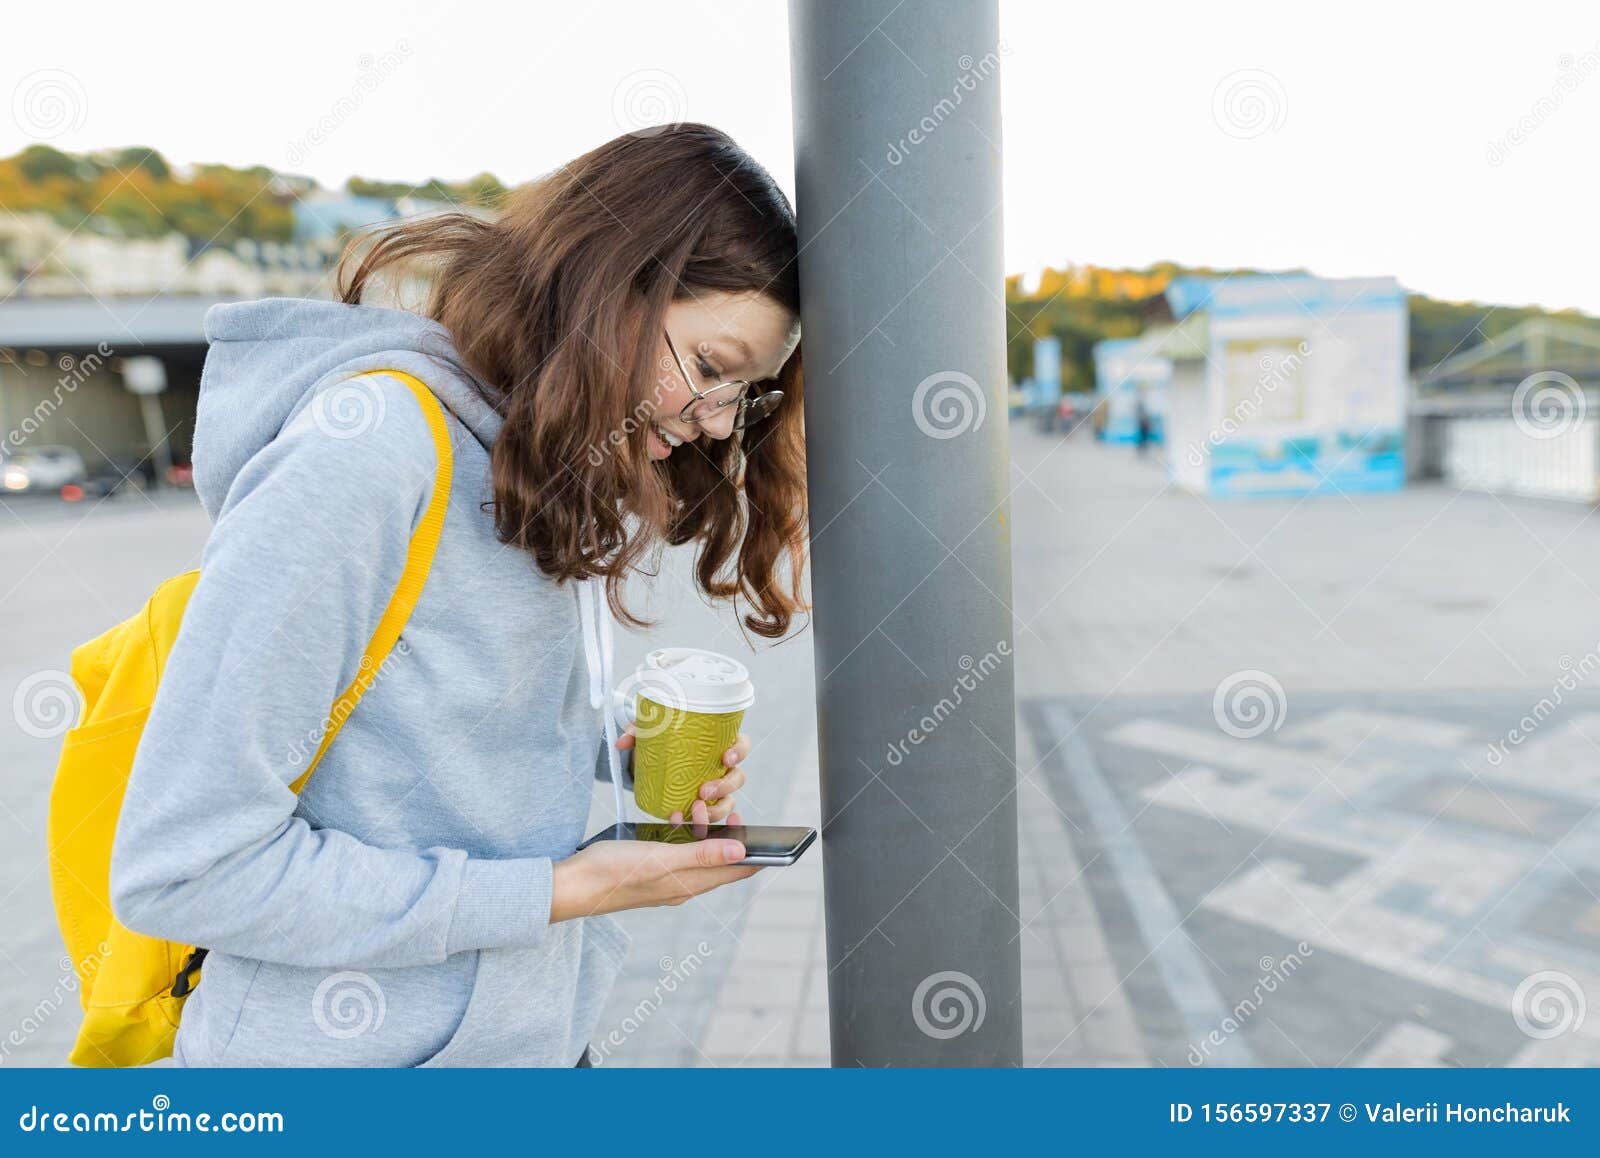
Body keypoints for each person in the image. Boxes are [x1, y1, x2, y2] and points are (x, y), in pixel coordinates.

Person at [108, 124, 807, 1067]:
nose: (717, 420)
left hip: (530, 1054)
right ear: (608, 291)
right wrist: (566, 890)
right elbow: (185, 868)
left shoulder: (538, 462)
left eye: (745, 393)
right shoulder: (367, 457)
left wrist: (621, 760)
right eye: (710, 367)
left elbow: (419, 742)